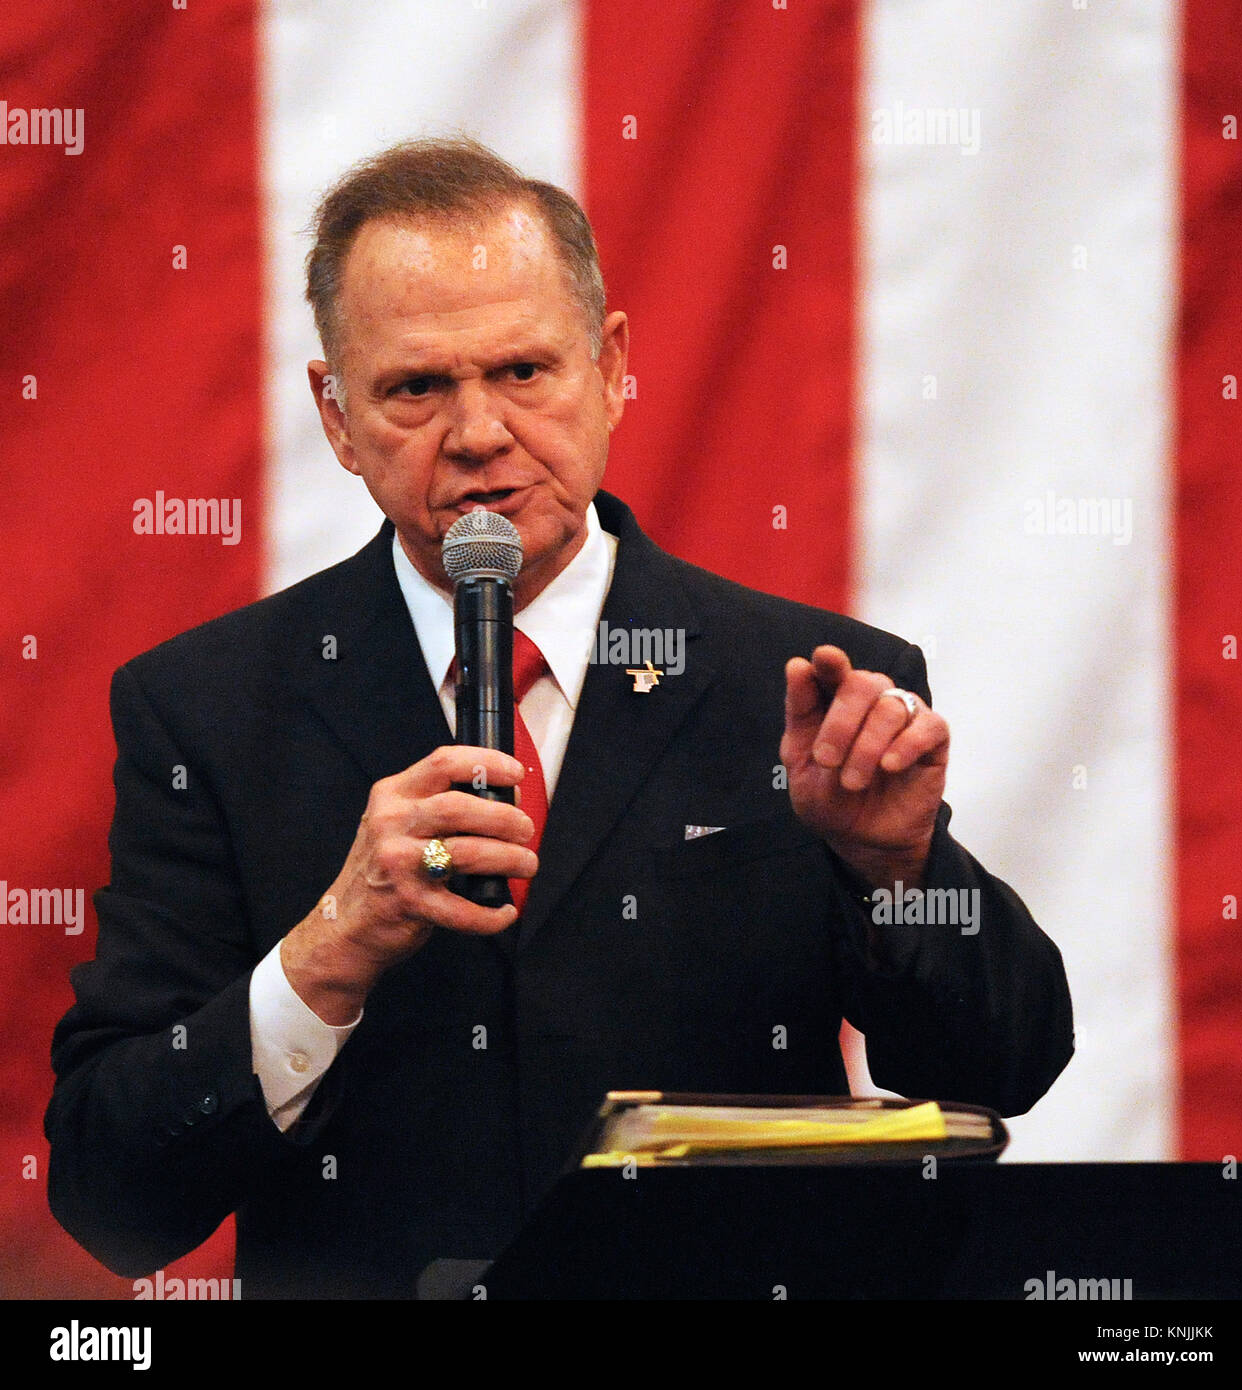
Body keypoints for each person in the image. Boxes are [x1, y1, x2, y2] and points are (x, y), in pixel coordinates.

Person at [46, 138, 1073, 1298]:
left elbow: (1010, 1067)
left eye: (524, 371)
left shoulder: (804, 686)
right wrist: (327, 948)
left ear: (612, 366)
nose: (479, 432)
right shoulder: (210, 710)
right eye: (416, 389)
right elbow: (110, 1197)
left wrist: (898, 868)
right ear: (337, 417)